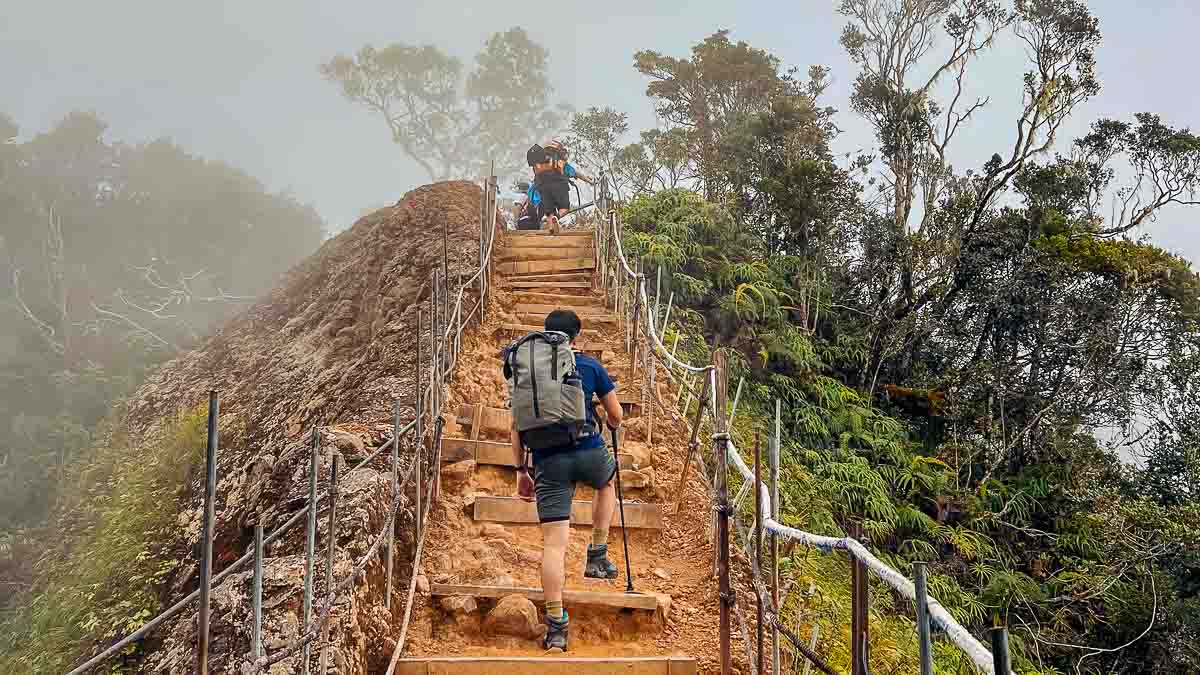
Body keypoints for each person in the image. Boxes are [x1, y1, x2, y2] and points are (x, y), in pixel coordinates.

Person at [507, 309, 623, 652]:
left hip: (547, 461)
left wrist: (521, 473)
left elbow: (515, 428)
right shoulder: (587, 365)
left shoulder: (528, 372)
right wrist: (610, 422)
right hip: (588, 450)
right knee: (606, 483)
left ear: (545, 335)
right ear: (576, 337)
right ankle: (597, 553)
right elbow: (615, 415)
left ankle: (557, 626)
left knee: (554, 545)